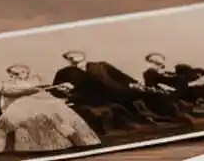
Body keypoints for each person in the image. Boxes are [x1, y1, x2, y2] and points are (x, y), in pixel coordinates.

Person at [53, 51, 190, 125]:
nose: (72, 57)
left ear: (82, 55)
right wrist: (63, 89)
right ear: (67, 59)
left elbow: (119, 75)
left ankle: (169, 115)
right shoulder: (64, 72)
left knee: (148, 95)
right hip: (91, 96)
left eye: (74, 54)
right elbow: (55, 89)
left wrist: (133, 83)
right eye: (69, 56)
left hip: (117, 90)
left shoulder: (100, 65)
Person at [0, 64, 101, 154]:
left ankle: (82, 142)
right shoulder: (7, 84)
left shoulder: (33, 82)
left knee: (60, 116)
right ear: (11, 74)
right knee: (2, 126)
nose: (23, 74)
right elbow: (12, 92)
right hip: (19, 108)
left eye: (25, 72)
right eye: (18, 73)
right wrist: (34, 90)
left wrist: (57, 88)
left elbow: (45, 91)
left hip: (41, 106)